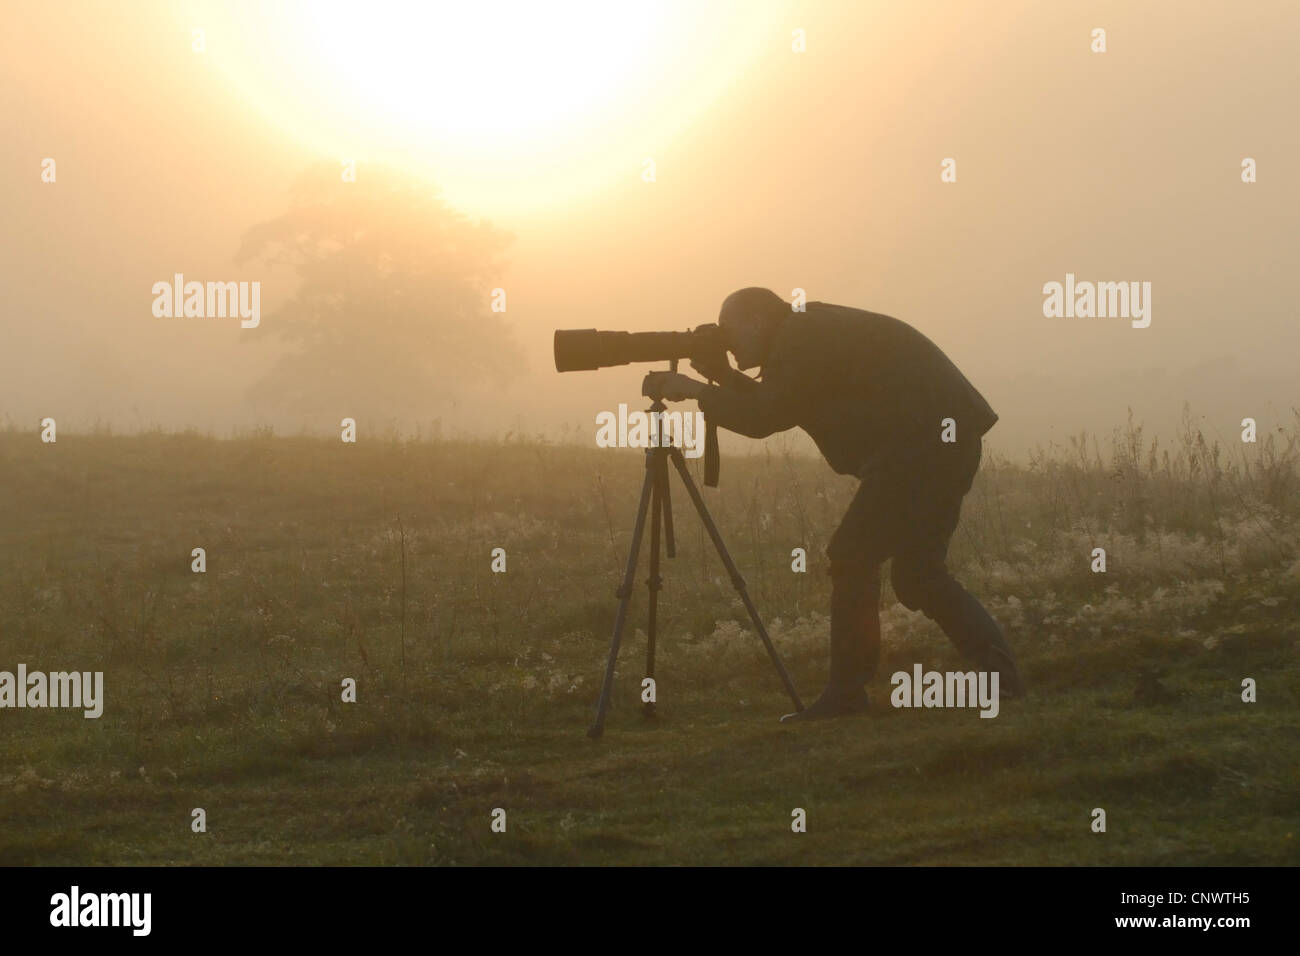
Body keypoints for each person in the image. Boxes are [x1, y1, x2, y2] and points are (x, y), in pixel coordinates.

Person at [641, 287, 1023, 721]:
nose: (728, 343)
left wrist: (693, 389)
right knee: (918, 576)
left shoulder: (802, 337)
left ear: (757, 322)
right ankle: (1001, 681)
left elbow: (766, 417)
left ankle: (847, 696)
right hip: (937, 444)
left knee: (853, 558)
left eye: (730, 331)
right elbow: (780, 401)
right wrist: (721, 379)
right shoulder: (804, 330)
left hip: (921, 449)